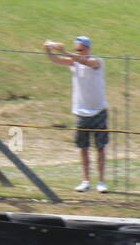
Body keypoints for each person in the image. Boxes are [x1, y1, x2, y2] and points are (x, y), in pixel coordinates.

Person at [43, 35, 108, 193]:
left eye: (80, 50)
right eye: (76, 50)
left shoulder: (96, 61)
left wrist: (65, 51)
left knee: (100, 147)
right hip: (81, 112)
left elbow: (86, 62)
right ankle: (85, 180)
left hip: (99, 111)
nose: (77, 52)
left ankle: (101, 181)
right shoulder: (74, 62)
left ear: (88, 49)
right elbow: (55, 60)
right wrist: (48, 48)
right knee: (83, 147)